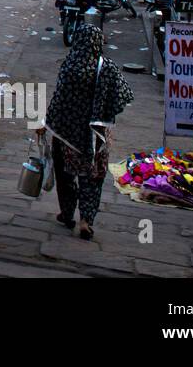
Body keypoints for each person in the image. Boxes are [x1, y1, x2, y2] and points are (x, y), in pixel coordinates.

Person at [39, 19, 134, 240]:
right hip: (96, 135)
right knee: (92, 176)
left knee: (66, 175)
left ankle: (67, 212)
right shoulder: (107, 67)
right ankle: (86, 220)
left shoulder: (70, 65)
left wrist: (46, 124)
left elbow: (59, 99)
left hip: (68, 134)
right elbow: (123, 97)